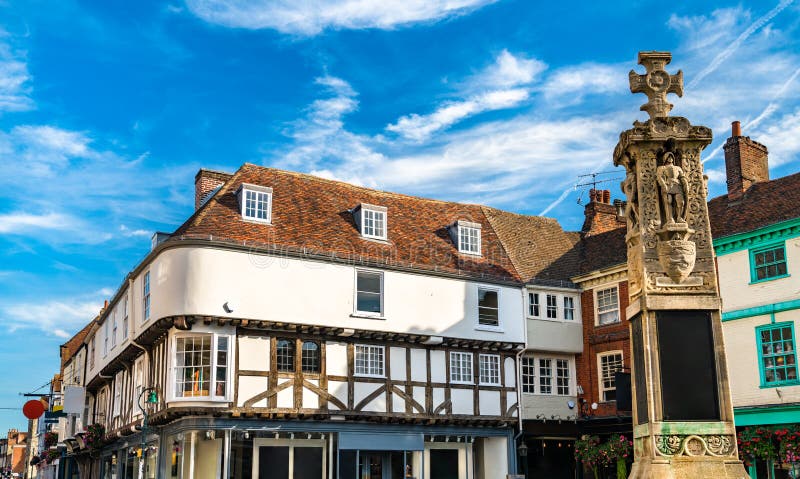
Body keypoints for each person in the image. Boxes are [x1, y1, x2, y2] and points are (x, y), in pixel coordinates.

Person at [656, 152, 688, 224]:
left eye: (671, 157)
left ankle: (679, 217)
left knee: (681, 202)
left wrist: (685, 184)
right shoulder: (661, 168)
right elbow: (659, 177)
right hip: (668, 185)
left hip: (677, 185)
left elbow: (682, 177)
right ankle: (670, 219)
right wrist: (663, 185)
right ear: (665, 159)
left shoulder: (678, 168)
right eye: (668, 157)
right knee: (668, 201)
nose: (670, 158)